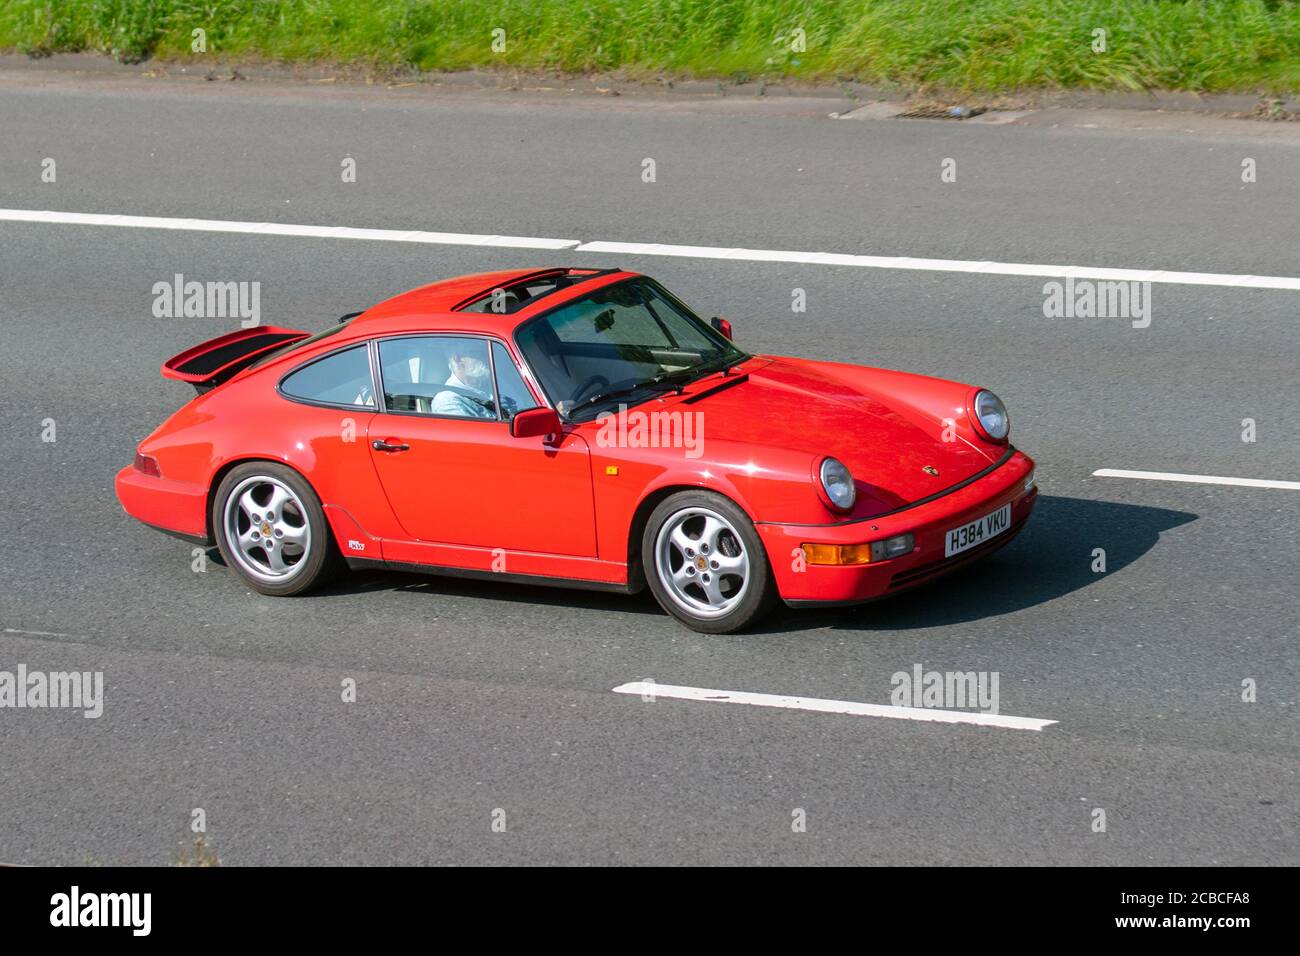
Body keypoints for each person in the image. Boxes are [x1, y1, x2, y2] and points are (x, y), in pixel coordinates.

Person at [431, 347, 495, 418]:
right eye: (476, 353)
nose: (487, 358)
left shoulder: (494, 382)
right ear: (457, 360)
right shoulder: (448, 401)